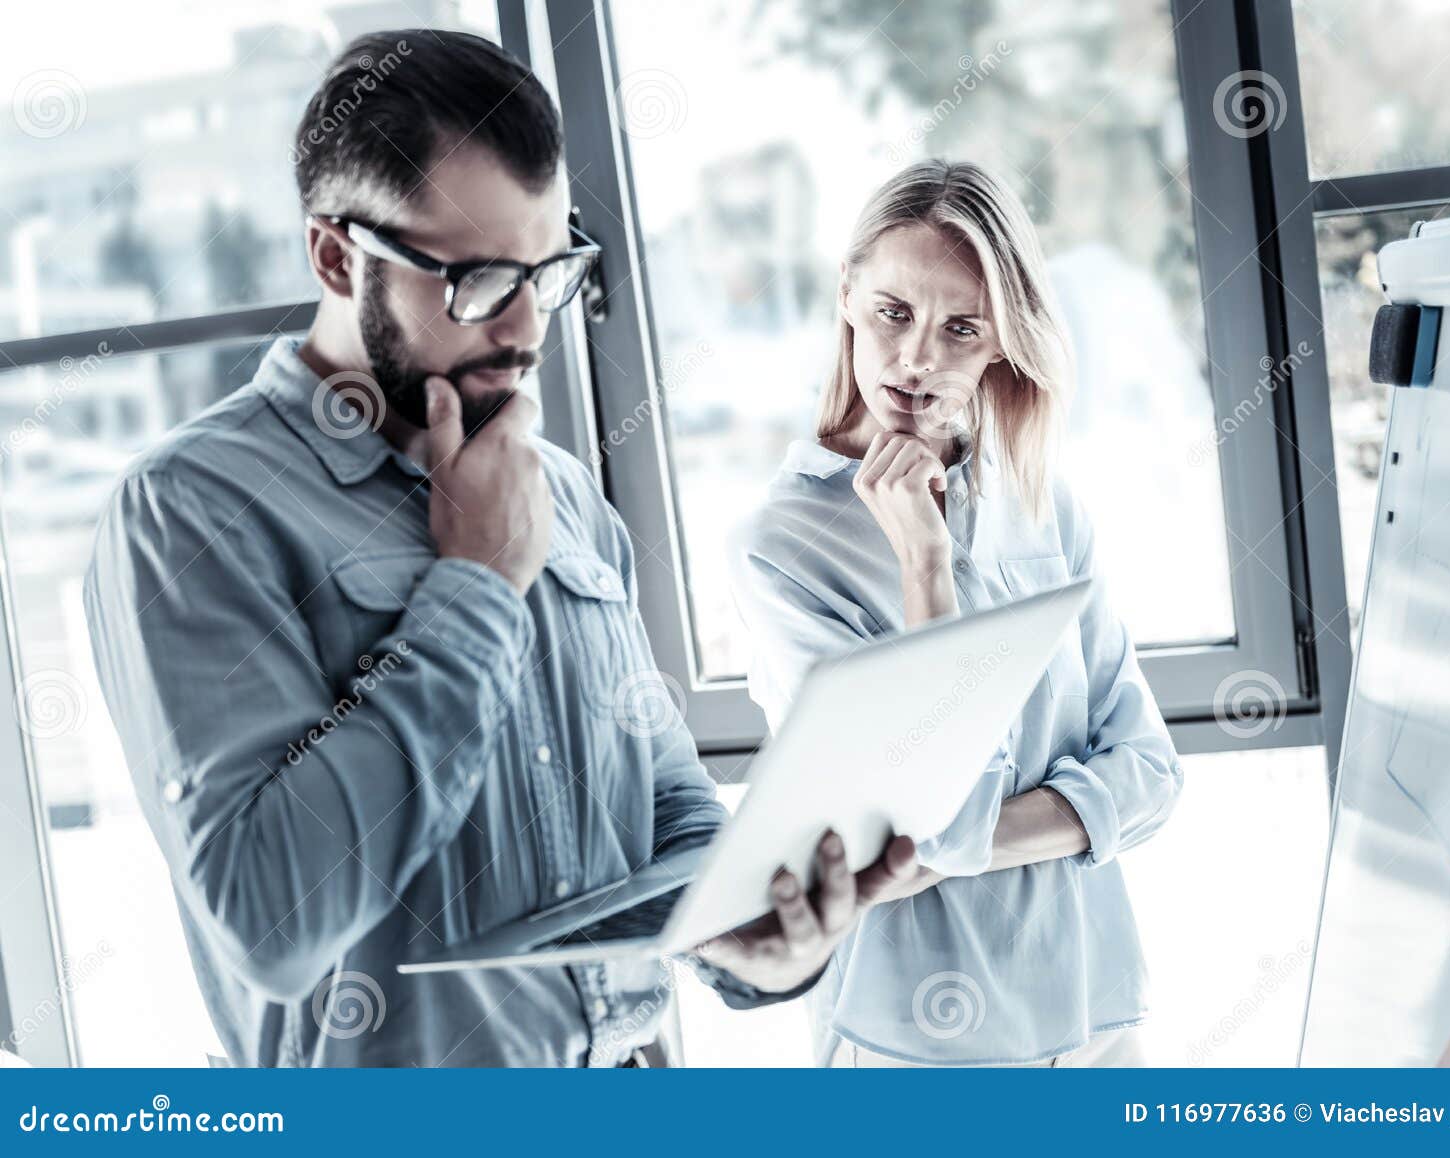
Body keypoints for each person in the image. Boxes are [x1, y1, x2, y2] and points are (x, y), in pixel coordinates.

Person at [82, 29, 912, 1068]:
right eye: (475, 282)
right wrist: (474, 587)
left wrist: (758, 937)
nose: (526, 329)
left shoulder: (557, 487)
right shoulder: (191, 513)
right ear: (337, 256)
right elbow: (271, 920)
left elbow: (659, 798)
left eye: (544, 272)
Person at [730, 160, 1183, 1067]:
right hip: (912, 1048)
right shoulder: (781, 548)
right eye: (895, 313)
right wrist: (925, 569)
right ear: (849, 296)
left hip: (1093, 1016)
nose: (917, 360)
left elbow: (1151, 776)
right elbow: (935, 819)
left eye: (961, 328)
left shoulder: (1042, 503)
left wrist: (961, 846)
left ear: (1001, 346)